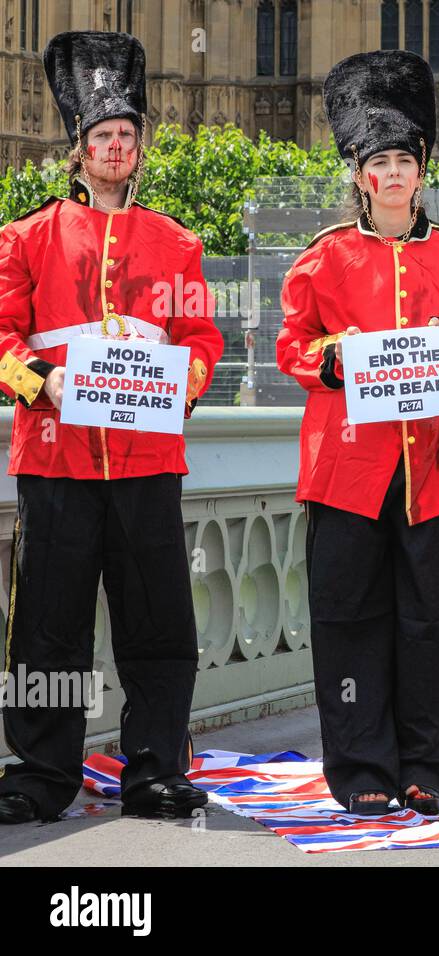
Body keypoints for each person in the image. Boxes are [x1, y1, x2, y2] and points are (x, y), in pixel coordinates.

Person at [0, 31, 224, 824]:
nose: (117, 146)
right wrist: (41, 378)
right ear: (80, 148)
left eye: (128, 134)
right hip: (55, 460)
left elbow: (203, 339)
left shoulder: (176, 243)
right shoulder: (26, 238)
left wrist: (181, 387)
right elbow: (2, 336)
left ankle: (157, 769)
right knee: (48, 630)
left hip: (145, 460)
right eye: (104, 136)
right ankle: (39, 773)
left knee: (159, 625)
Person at [276, 50, 439, 815]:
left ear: (422, 170)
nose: (395, 173)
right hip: (347, 472)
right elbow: (292, 348)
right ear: (362, 175)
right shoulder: (322, 259)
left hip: (434, 470)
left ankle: (426, 769)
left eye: (406, 160)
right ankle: (361, 769)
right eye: (381, 162)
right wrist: (332, 362)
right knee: (349, 622)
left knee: (431, 621)